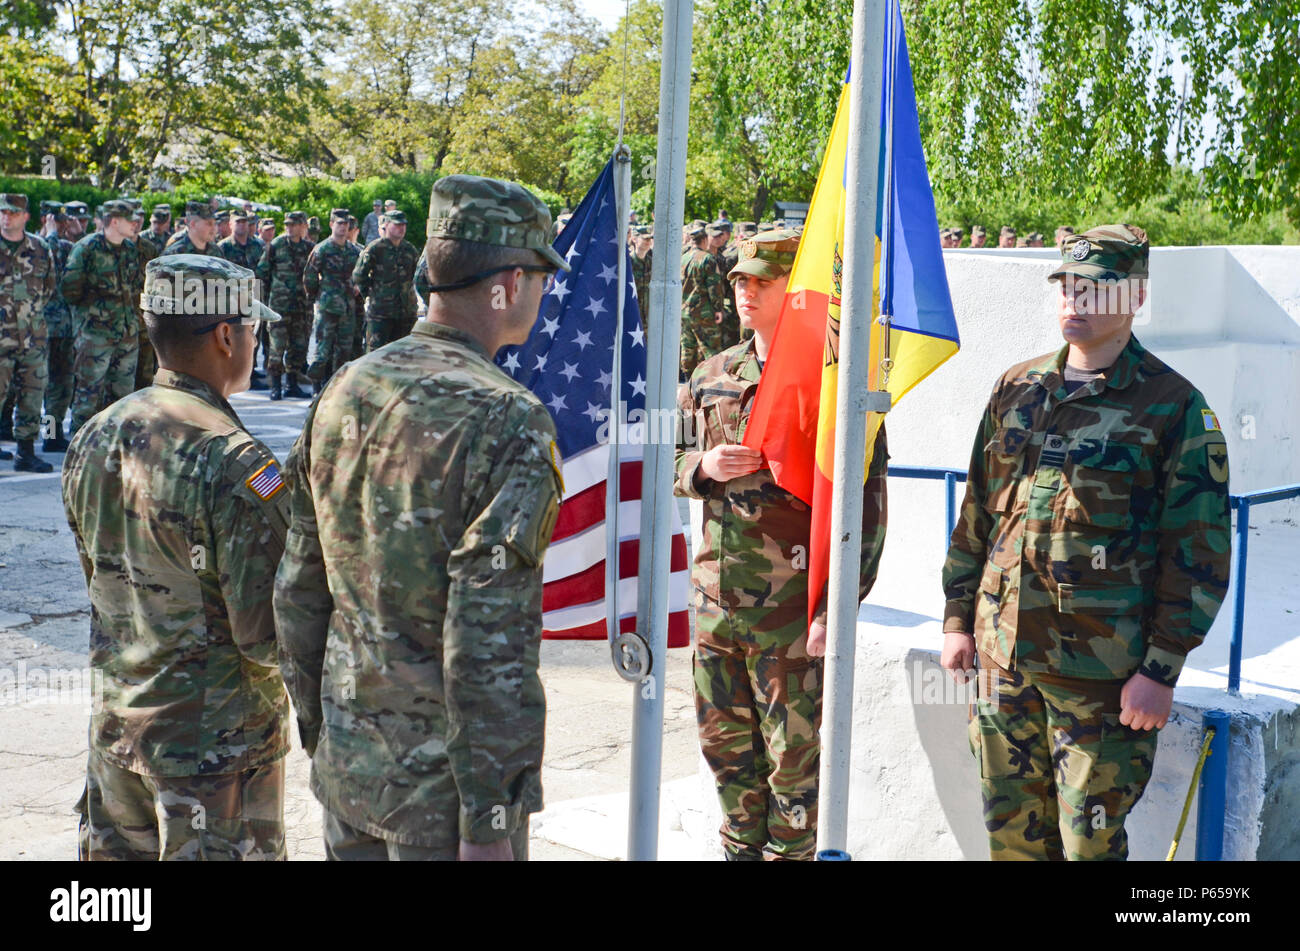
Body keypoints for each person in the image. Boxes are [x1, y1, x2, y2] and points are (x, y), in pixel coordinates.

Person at [274, 174, 567, 862]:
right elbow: (487, 638)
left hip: (351, 770)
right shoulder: (507, 416)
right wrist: (491, 816)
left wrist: (323, 734)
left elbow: (297, 589)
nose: (543, 292)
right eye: (539, 276)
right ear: (508, 282)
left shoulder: (345, 387)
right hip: (444, 800)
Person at [940, 224, 1232, 861]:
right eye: (1067, 286)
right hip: (1002, 660)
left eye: (1095, 290)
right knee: (1011, 839)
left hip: (1100, 678)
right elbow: (978, 515)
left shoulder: (1174, 407)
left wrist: (1161, 668)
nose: (1075, 301)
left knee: (1088, 848)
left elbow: (1198, 551)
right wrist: (958, 619)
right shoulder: (1016, 389)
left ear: (1135, 298)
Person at [63, 254, 291, 861]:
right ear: (225, 336)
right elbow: (266, 636)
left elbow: (102, 581)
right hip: (214, 761)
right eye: (251, 329)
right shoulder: (239, 464)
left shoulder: (95, 434)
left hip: (117, 734)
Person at [674, 229, 888, 860]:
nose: (745, 291)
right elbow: (672, 460)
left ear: (795, 290)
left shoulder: (839, 384)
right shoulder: (713, 373)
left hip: (791, 612)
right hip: (717, 605)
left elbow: (864, 511)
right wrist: (704, 467)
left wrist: (834, 609)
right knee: (726, 755)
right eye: (740, 279)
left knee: (793, 768)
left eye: (762, 281)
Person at [61, 200, 144, 439]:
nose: (135, 224)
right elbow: (69, 290)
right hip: (95, 336)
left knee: (122, 396)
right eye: (131, 220)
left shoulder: (129, 249)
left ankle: (114, 445)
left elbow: (135, 286)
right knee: (88, 394)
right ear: (115, 221)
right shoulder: (86, 248)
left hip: (127, 333)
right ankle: (80, 445)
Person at [0, 194, 57, 471]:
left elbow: (49, 288)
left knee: (32, 397)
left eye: (12, 212)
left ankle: (25, 453)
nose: (6, 217)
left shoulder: (40, 248)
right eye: (2, 212)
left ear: (25, 216)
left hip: (32, 338)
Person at [256, 210, 314, 400]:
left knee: (299, 346)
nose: (289, 228)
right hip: (279, 306)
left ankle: (292, 383)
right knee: (277, 347)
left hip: (301, 307)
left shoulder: (309, 248)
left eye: (293, 225)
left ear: (302, 227)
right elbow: (262, 272)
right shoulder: (276, 245)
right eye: (287, 225)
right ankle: (276, 386)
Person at [303, 208, 361, 390]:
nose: (343, 228)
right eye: (339, 224)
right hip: (327, 307)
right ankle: (317, 388)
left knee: (344, 351)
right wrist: (316, 297)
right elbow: (310, 276)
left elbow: (360, 274)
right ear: (331, 225)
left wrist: (358, 287)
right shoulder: (322, 249)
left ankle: (337, 388)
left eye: (346, 224)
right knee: (322, 352)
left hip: (347, 308)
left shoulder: (353, 251)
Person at [353, 208, 420, 353]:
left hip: (406, 313)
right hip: (381, 313)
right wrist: (371, 294)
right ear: (387, 225)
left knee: (404, 354)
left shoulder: (410, 250)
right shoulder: (375, 249)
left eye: (403, 225)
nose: (401, 228)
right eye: (397, 225)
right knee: (375, 354)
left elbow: (418, 276)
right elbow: (359, 275)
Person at [40, 202, 77, 453]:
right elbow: (48, 254)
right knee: (39, 387)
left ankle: (52, 437)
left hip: (64, 329)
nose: (65, 224)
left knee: (60, 385)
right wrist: (51, 232)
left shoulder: (67, 246)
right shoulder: (36, 245)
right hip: (41, 329)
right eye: (59, 220)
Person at [679, 222, 726, 380]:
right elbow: (714, 287)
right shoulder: (708, 259)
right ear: (705, 239)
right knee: (710, 348)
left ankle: (688, 382)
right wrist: (718, 308)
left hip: (684, 311)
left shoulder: (682, 258)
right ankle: (709, 382)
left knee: (688, 348)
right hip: (703, 312)